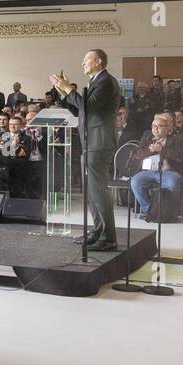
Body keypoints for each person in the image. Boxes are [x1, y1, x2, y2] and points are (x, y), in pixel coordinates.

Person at [51, 48, 122, 250]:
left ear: (98, 61)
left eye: (86, 60)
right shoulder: (95, 82)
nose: (82, 63)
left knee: (98, 190)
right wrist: (63, 90)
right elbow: (80, 109)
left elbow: (89, 106)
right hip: (89, 141)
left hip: (99, 142)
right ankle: (98, 231)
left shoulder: (107, 81)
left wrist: (69, 88)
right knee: (91, 191)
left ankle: (109, 238)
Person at [127, 113, 183, 221]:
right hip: (149, 171)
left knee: (173, 183)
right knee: (135, 181)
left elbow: (180, 156)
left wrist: (162, 150)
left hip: (169, 172)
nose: (155, 129)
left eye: (159, 126)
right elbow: (138, 153)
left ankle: (169, 212)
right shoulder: (148, 137)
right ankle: (149, 211)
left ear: (167, 129)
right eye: (153, 126)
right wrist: (150, 150)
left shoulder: (177, 139)